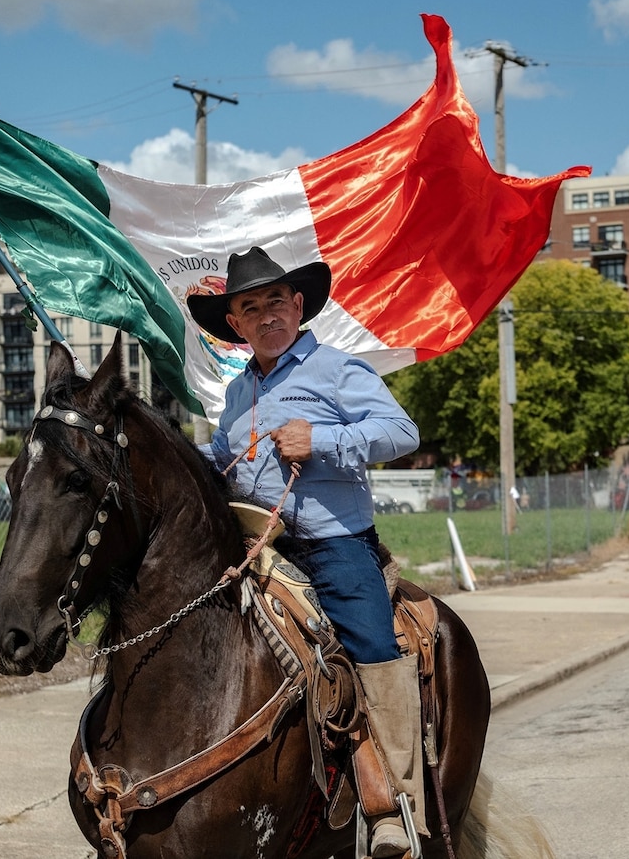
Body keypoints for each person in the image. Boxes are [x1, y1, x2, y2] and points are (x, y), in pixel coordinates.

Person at [187, 247, 423, 857]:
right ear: (235, 325)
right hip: (257, 547)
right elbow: (221, 462)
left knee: (372, 647)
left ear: (297, 307)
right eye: (250, 308)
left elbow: (402, 432)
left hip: (334, 544)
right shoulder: (237, 396)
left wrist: (323, 439)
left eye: (275, 302)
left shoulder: (338, 369)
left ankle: (397, 804)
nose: (266, 316)